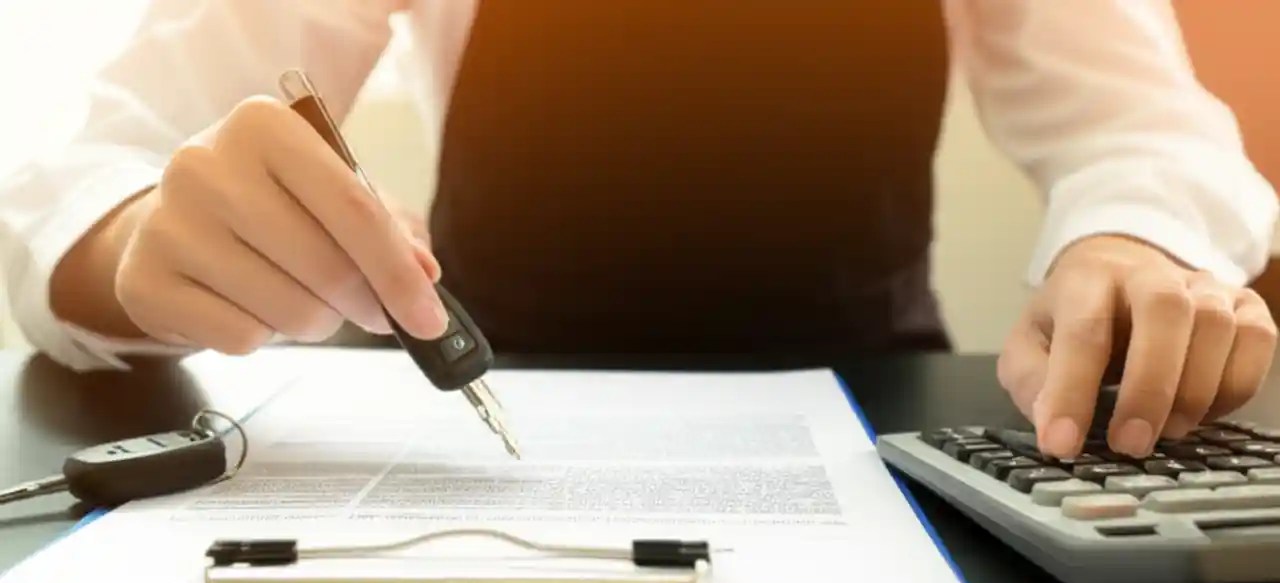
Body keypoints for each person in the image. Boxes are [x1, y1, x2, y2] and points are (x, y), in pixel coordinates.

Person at [0, 1, 1276, 462]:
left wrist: (1136, 239)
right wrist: (134, 247)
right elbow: (95, 165)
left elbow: (1144, 126)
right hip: (479, 425)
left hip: (880, 419)